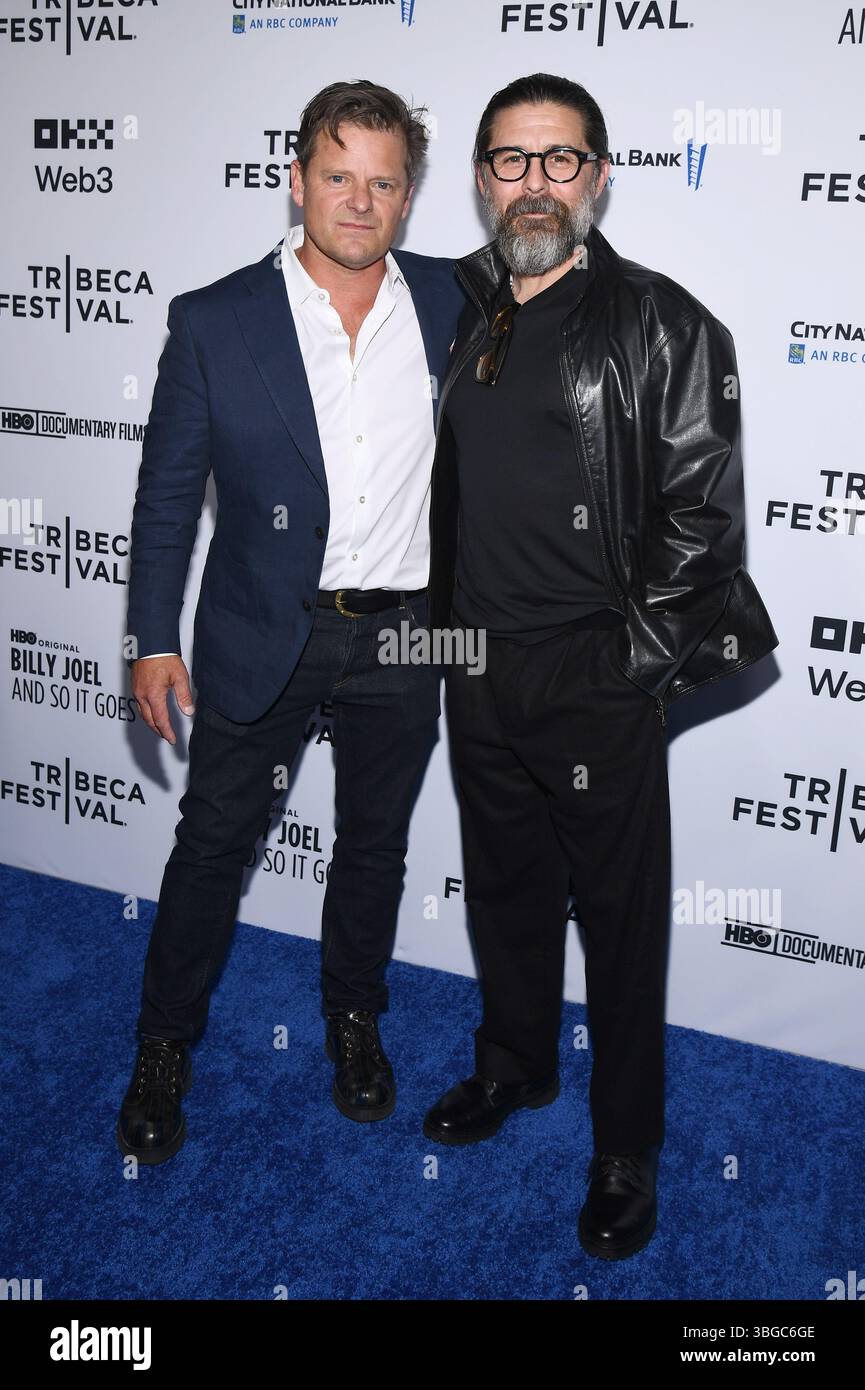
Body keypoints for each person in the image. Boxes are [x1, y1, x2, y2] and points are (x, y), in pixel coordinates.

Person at [422, 72, 779, 1260]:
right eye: (511, 161)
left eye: (558, 159)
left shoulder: (663, 324)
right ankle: (515, 1066)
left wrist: (623, 669)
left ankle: (625, 1145)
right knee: (508, 896)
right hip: (475, 664)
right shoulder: (468, 309)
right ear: (481, 180)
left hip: (596, 679)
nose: (534, 183)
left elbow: (701, 523)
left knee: (620, 928)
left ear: (600, 175)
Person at [118, 80, 464, 1165]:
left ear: (408, 197)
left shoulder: (459, 301)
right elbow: (168, 496)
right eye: (336, 174)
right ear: (297, 179)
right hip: (265, 626)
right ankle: (163, 1047)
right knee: (213, 843)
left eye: (382, 181)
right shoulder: (215, 319)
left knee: (373, 843)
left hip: (405, 633)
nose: (357, 201)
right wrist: (151, 635)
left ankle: (353, 1019)